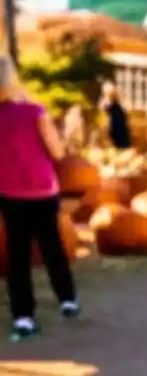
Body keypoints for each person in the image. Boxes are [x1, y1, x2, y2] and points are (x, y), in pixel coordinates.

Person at [0, 55, 80, 341]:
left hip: (9, 194)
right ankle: (67, 299)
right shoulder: (35, 111)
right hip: (43, 190)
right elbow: (57, 152)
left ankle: (23, 317)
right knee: (52, 247)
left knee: (17, 256)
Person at [99, 81, 132, 151]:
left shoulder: (121, 101)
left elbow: (128, 109)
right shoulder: (107, 102)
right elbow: (102, 107)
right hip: (112, 129)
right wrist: (107, 98)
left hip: (122, 130)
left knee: (122, 144)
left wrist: (120, 99)